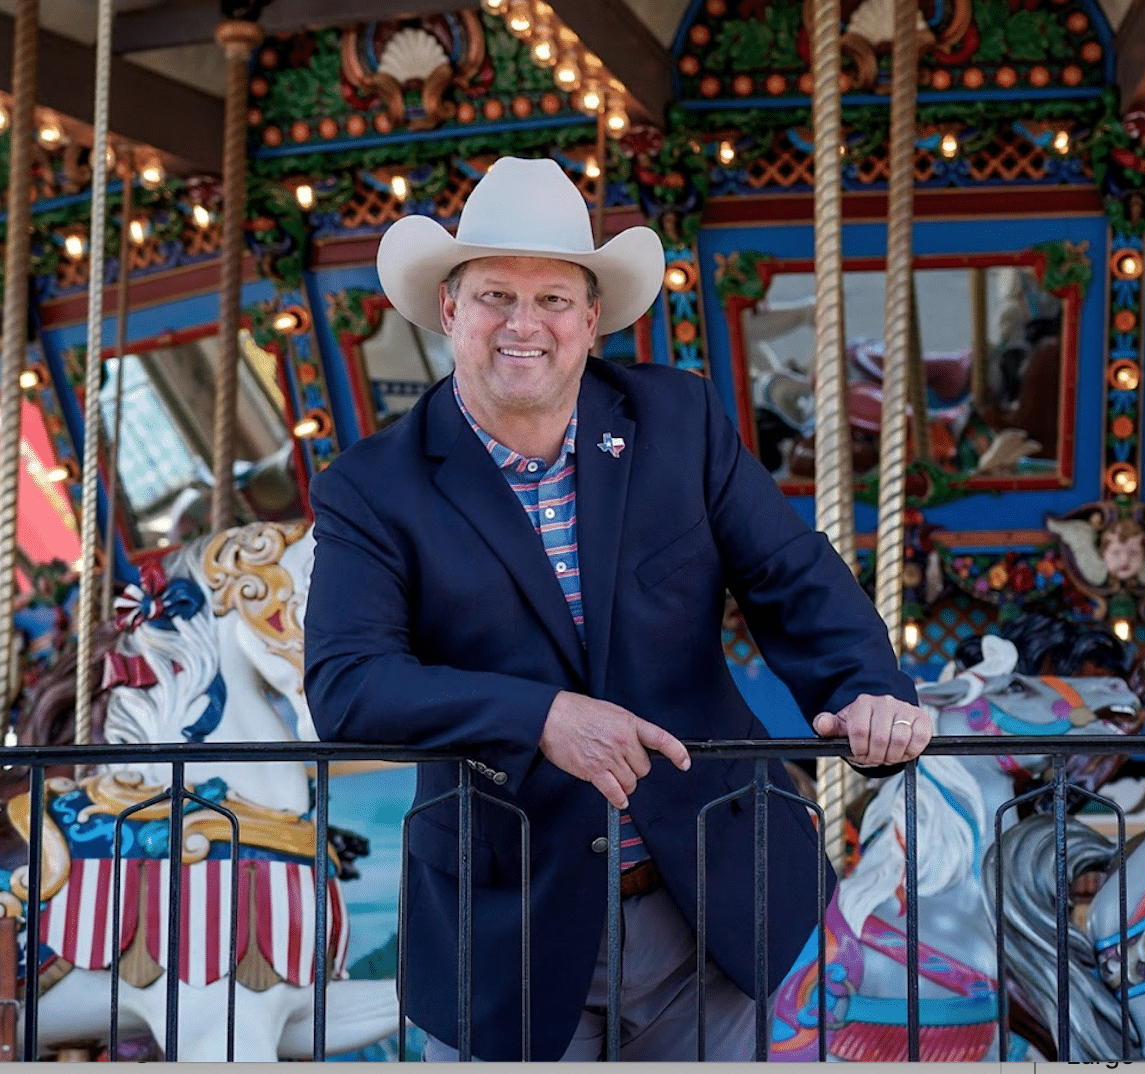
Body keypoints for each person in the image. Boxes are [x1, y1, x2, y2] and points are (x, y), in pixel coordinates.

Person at [303, 156, 931, 1062]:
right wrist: (541, 717)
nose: (525, 325)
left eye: (554, 298)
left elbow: (794, 577)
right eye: (494, 297)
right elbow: (350, 684)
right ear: (449, 310)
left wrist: (867, 686)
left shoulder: (680, 421)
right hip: (507, 921)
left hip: (713, 906)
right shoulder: (371, 487)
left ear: (592, 319)